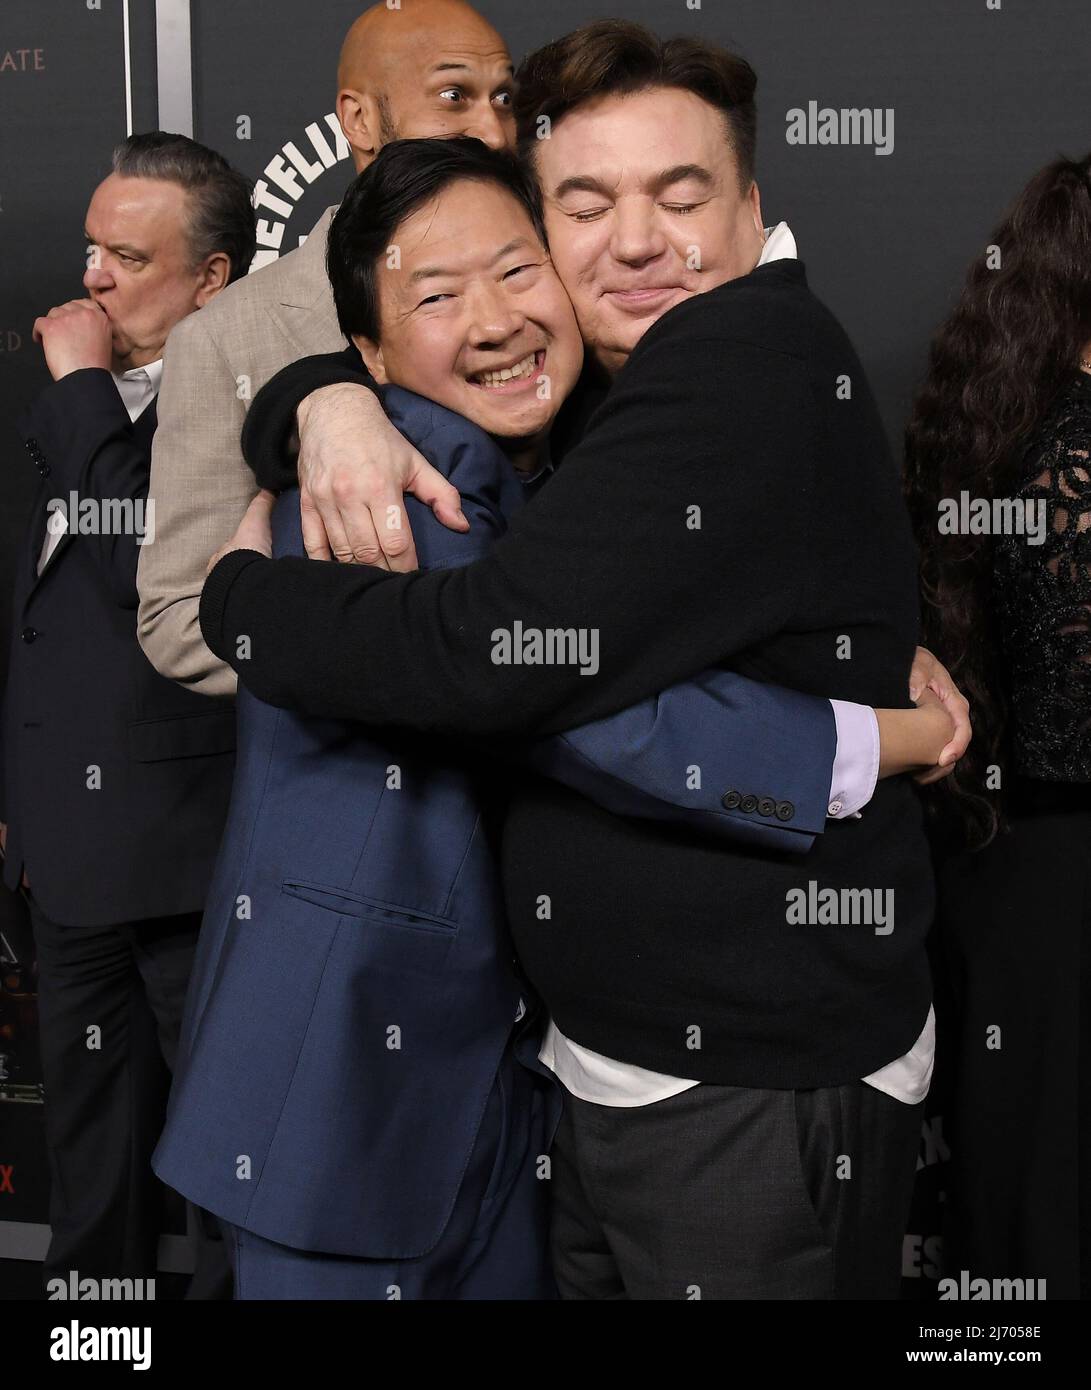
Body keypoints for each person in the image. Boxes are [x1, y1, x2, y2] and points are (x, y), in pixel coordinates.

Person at [200, 24, 957, 1299]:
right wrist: (316, 397)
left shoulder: (731, 354)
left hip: (742, 1082)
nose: (637, 241)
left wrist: (242, 602)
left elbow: (500, 667)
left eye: (681, 195)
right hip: (555, 1072)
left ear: (753, 204)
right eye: (584, 205)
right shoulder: (593, 394)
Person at [0, 132, 255, 1296]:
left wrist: (81, 391)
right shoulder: (80, 400)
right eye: (92, 247)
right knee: (88, 1174)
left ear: (211, 280)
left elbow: (140, 573)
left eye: (129, 256)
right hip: (72, 856)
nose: (94, 277)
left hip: (192, 861)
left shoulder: (254, 392)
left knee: (231, 1175)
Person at [136, 0, 518, 696]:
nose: (492, 131)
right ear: (360, 119)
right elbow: (179, 617)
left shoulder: (559, 283)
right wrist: (407, 653)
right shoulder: (222, 340)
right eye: (454, 96)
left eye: (504, 99)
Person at [905, 151, 1091, 1300]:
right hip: (1058, 886)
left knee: (1026, 1210)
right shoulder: (1070, 457)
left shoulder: (1012, 430)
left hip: (1011, 882)